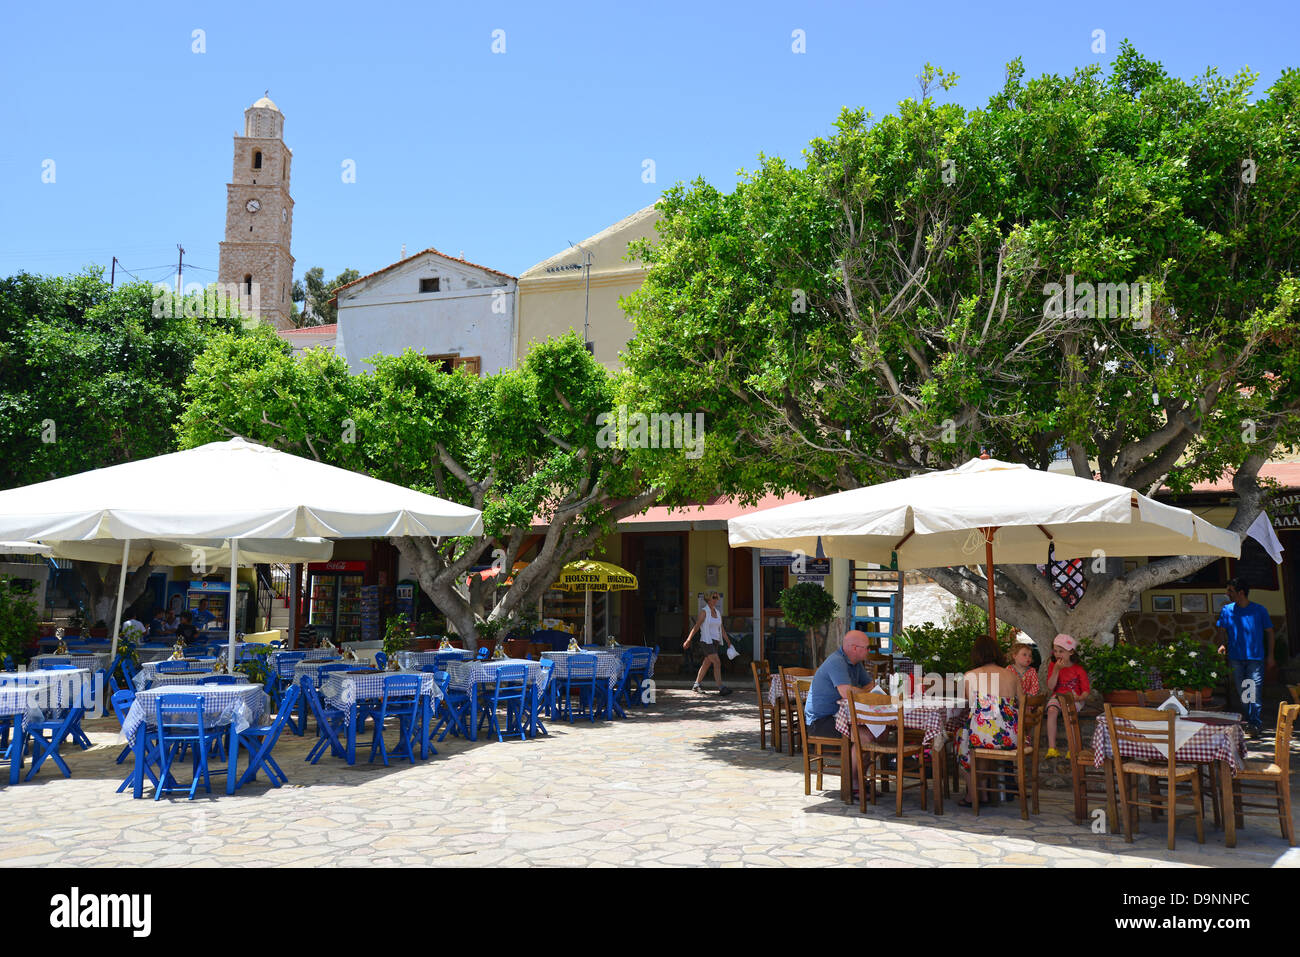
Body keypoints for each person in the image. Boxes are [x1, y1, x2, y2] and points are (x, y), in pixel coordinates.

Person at [805, 630, 876, 790]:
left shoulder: (856, 664)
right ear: (854, 648)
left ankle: (859, 779)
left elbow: (871, 686)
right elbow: (846, 693)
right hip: (821, 721)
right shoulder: (836, 662)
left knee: (878, 733)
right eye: (867, 647)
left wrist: (858, 690)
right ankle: (853, 784)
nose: (869, 651)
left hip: (842, 717)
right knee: (863, 736)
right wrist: (860, 691)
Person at [957, 635, 1021, 807]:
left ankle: (973, 795)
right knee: (976, 736)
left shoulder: (971, 676)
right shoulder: (1012, 676)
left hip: (983, 738)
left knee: (965, 740)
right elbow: (1021, 703)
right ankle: (983, 793)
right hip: (1013, 738)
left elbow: (967, 705)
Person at [1216, 577, 1274, 738]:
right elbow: (1221, 629)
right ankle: (1250, 720)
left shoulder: (1259, 610)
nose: (1227, 594)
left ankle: (1254, 722)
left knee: (1253, 690)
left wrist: (1270, 656)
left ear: (1241, 593)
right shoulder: (1227, 610)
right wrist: (1222, 644)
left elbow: (1269, 632)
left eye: (1230, 591)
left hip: (1255, 658)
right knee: (1243, 691)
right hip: (1236, 658)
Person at [1044, 634, 1090, 757]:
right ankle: (1052, 748)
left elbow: (1086, 690)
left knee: (1070, 713)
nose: (1057, 654)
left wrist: (1080, 698)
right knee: (1052, 710)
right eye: (1055, 651)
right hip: (1058, 696)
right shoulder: (1053, 666)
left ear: (1071, 652)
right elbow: (1051, 686)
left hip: (1074, 698)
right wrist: (1056, 670)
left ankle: (1072, 748)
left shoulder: (1078, 669)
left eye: (1061, 651)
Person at [683, 592, 734, 694]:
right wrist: (688, 639)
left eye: (717, 597)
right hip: (706, 641)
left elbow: (722, 629)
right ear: (708, 599)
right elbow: (696, 626)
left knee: (706, 664)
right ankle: (721, 687)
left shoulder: (718, 612)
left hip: (715, 642)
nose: (716, 599)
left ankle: (696, 685)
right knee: (717, 662)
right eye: (714, 597)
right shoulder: (704, 612)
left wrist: (728, 642)